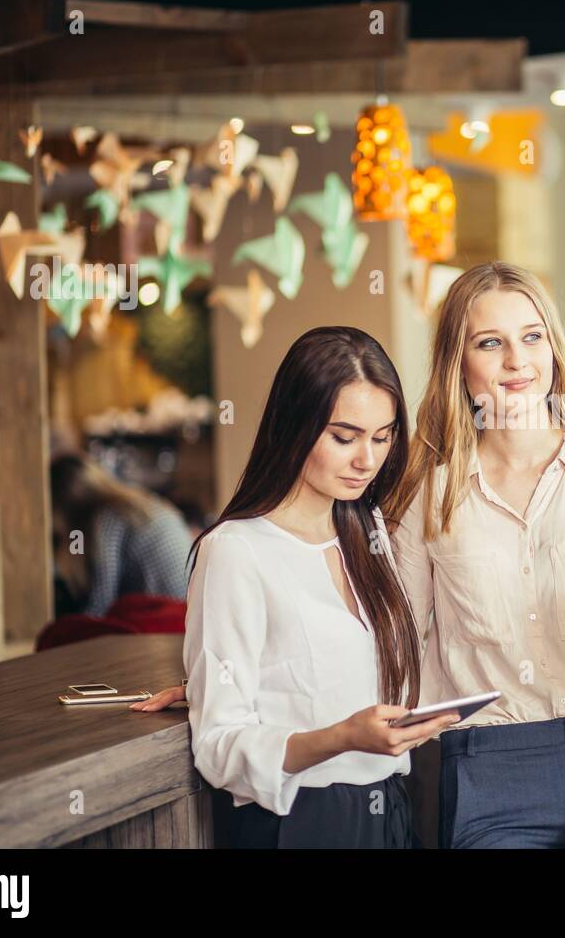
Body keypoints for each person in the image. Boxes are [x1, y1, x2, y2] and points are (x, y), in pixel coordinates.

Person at [387, 261, 565, 849]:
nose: (517, 360)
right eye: (491, 343)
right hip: (484, 769)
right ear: (458, 366)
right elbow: (393, 646)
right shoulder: (429, 492)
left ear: (553, 349)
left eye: (532, 337)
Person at [143, 327, 455, 848]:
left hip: (390, 810)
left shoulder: (367, 529)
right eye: (344, 436)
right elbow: (219, 746)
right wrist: (342, 737)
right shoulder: (236, 550)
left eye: (383, 437)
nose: (367, 460)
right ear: (295, 426)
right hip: (302, 822)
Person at [50, 453, 192, 617]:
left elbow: (101, 601)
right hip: (184, 615)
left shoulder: (107, 518)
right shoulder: (138, 504)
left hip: (163, 622)